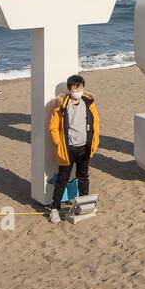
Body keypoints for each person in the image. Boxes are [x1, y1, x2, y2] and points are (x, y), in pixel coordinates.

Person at [45, 75, 99, 222]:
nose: (79, 90)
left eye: (81, 87)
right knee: (63, 179)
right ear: (70, 89)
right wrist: (59, 143)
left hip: (85, 148)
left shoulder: (88, 103)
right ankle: (54, 208)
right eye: (76, 88)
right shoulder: (62, 106)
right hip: (68, 150)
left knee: (83, 177)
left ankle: (84, 205)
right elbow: (53, 127)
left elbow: (96, 124)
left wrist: (94, 142)